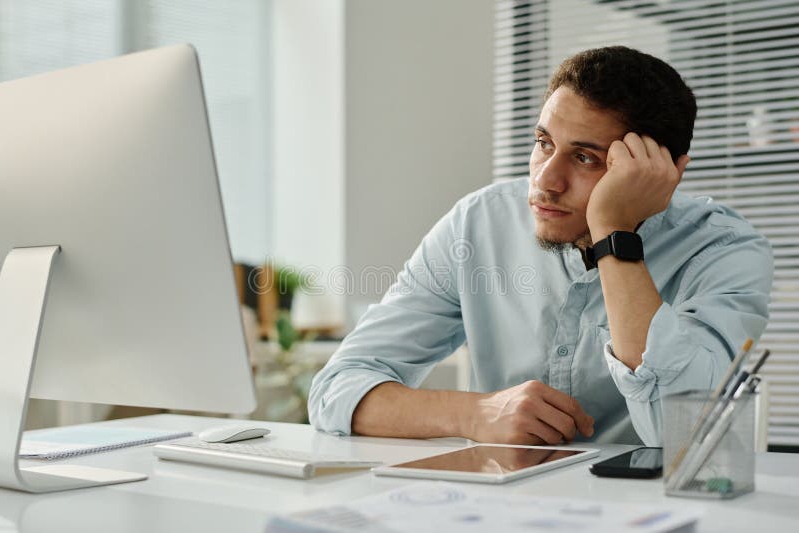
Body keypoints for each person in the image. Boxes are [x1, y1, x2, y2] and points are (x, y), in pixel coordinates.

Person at [307, 46, 772, 446]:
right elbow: (336, 391)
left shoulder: (723, 251)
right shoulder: (478, 224)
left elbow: (683, 433)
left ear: (665, 171)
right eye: (543, 143)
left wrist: (615, 234)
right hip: (505, 503)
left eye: (586, 157)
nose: (545, 180)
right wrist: (475, 414)